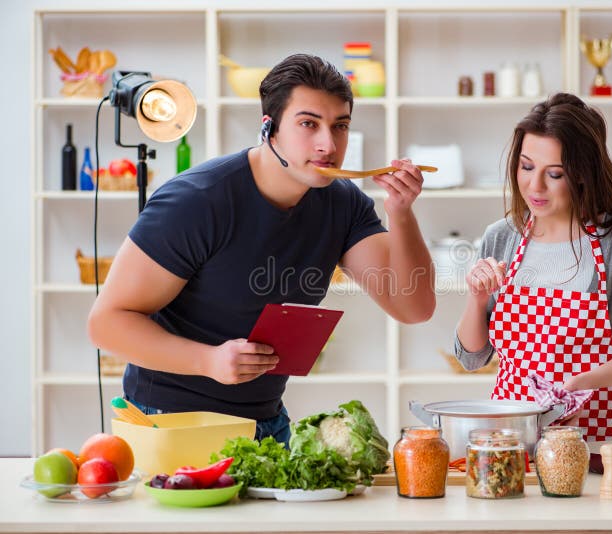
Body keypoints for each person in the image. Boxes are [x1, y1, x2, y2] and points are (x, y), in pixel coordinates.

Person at [88, 54, 435, 444]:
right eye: (308, 124)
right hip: (172, 421)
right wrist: (208, 360)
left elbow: (413, 307)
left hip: (267, 421)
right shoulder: (198, 200)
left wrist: (401, 214)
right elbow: (106, 323)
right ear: (268, 127)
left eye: (340, 126)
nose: (328, 144)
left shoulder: (343, 203)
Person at [454, 93, 612, 441]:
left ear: (582, 174)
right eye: (526, 167)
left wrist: (583, 384)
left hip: (594, 440)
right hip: (511, 441)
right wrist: (476, 300)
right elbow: (473, 358)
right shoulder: (501, 237)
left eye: (554, 174)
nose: (534, 186)